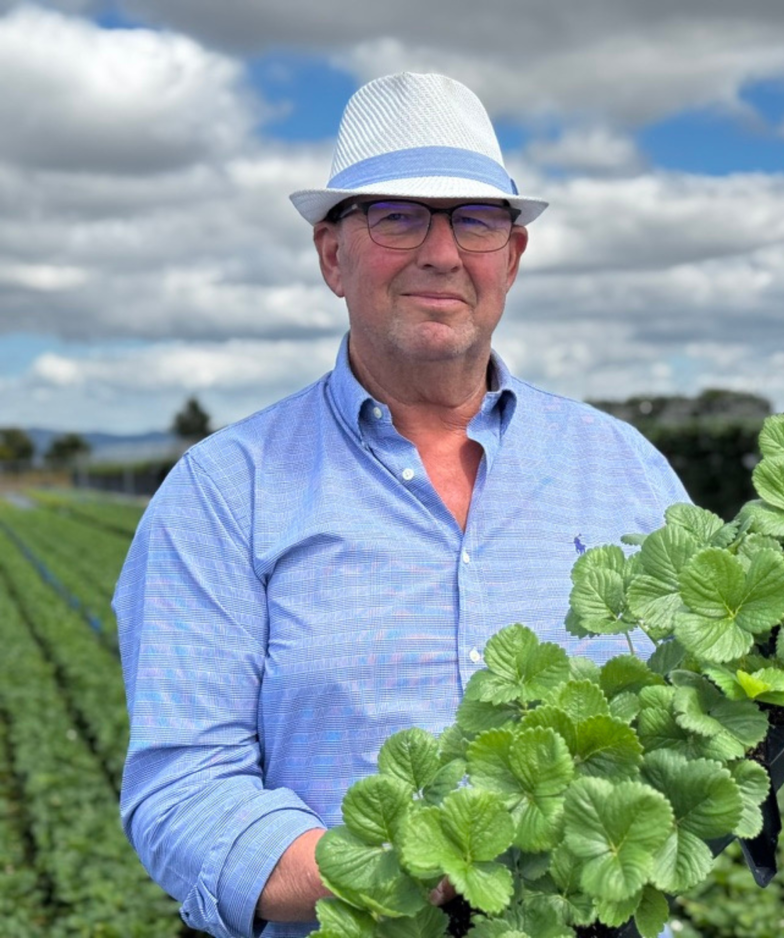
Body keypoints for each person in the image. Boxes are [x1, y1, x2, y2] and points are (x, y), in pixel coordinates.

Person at [115, 72, 689, 938]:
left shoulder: (627, 469)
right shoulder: (222, 490)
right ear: (331, 256)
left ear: (513, 256)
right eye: (396, 216)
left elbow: (701, 715)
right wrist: (427, 870)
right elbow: (185, 791)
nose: (441, 252)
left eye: (476, 220)